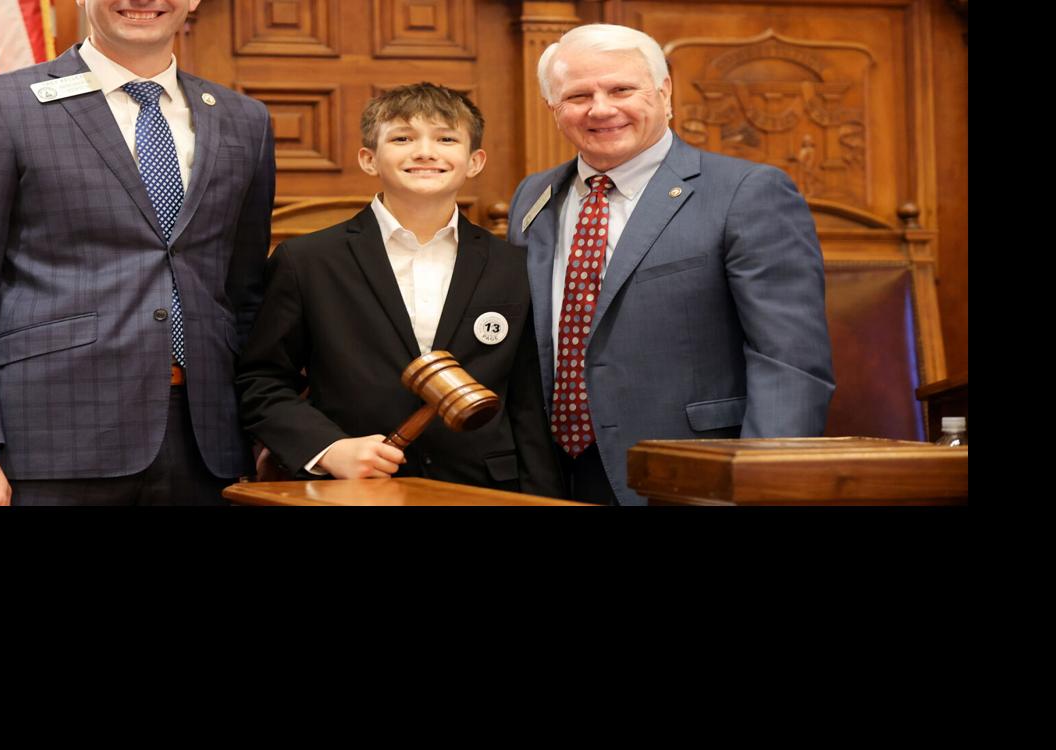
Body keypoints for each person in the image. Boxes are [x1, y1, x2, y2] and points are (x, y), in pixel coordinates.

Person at [0, 0, 275, 505]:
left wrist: (266, 428)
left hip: (209, 443)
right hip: (50, 440)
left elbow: (244, 297)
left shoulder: (246, 121)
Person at [508, 23, 835, 505]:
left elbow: (789, 363)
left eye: (621, 88)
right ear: (553, 110)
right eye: (578, 96)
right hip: (552, 477)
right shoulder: (533, 196)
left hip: (690, 474)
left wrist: (763, 485)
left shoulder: (746, 192)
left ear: (664, 93)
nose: (601, 108)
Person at [235, 83, 561, 497]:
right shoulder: (308, 261)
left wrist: (542, 496)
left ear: (474, 161)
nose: (425, 152)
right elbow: (262, 380)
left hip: (484, 488)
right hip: (352, 489)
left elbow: (529, 401)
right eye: (402, 138)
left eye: (446, 138)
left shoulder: (513, 265)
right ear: (369, 159)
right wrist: (328, 448)